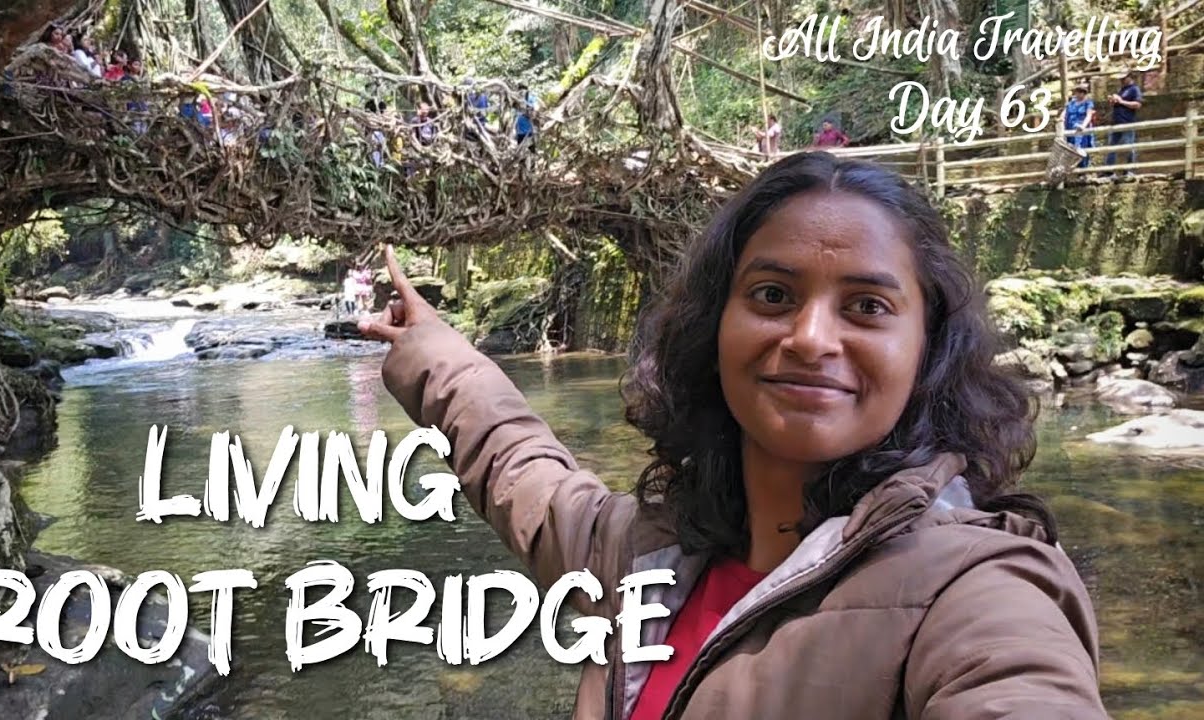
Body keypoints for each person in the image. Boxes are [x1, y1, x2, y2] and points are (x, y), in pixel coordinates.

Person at [356, 152, 1106, 720]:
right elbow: (523, 469)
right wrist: (434, 353)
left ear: (926, 346)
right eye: (773, 296)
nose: (812, 338)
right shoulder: (646, 552)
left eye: (868, 306)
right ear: (717, 324)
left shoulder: (977, 589)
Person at [1106, 69, 1143, 175]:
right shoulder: (1122, 90)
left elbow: (1137, 105)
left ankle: (1129, 170)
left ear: (1129, 77)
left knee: (1129, 146)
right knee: (1111, 146)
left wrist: (1121, 101)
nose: (1121, 81)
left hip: (1127, 121)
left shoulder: (1134, 89)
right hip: (1116, 121)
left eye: (1123, 78)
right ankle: (1109, 170)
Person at [1064, 83, 1095, 168]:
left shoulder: (1088, 103)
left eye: (1078, 92)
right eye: (1076, 92)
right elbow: (1065, 115)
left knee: (1081, 148)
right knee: (1071, 149)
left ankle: (1083, 171)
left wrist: (1083, 126)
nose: (1076, 94)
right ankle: (1074, 170)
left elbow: (1089, 115)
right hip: (1070, 128)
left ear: (1083, 93)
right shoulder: (1071, 103)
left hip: (1080, 130)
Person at [514, 83, 538, 151]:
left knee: (523, 149)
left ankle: (528, 160)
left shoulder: (529, 98)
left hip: (526, 129)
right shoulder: (518, 100)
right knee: (527, 149)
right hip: (523, 129)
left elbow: (535, 110)